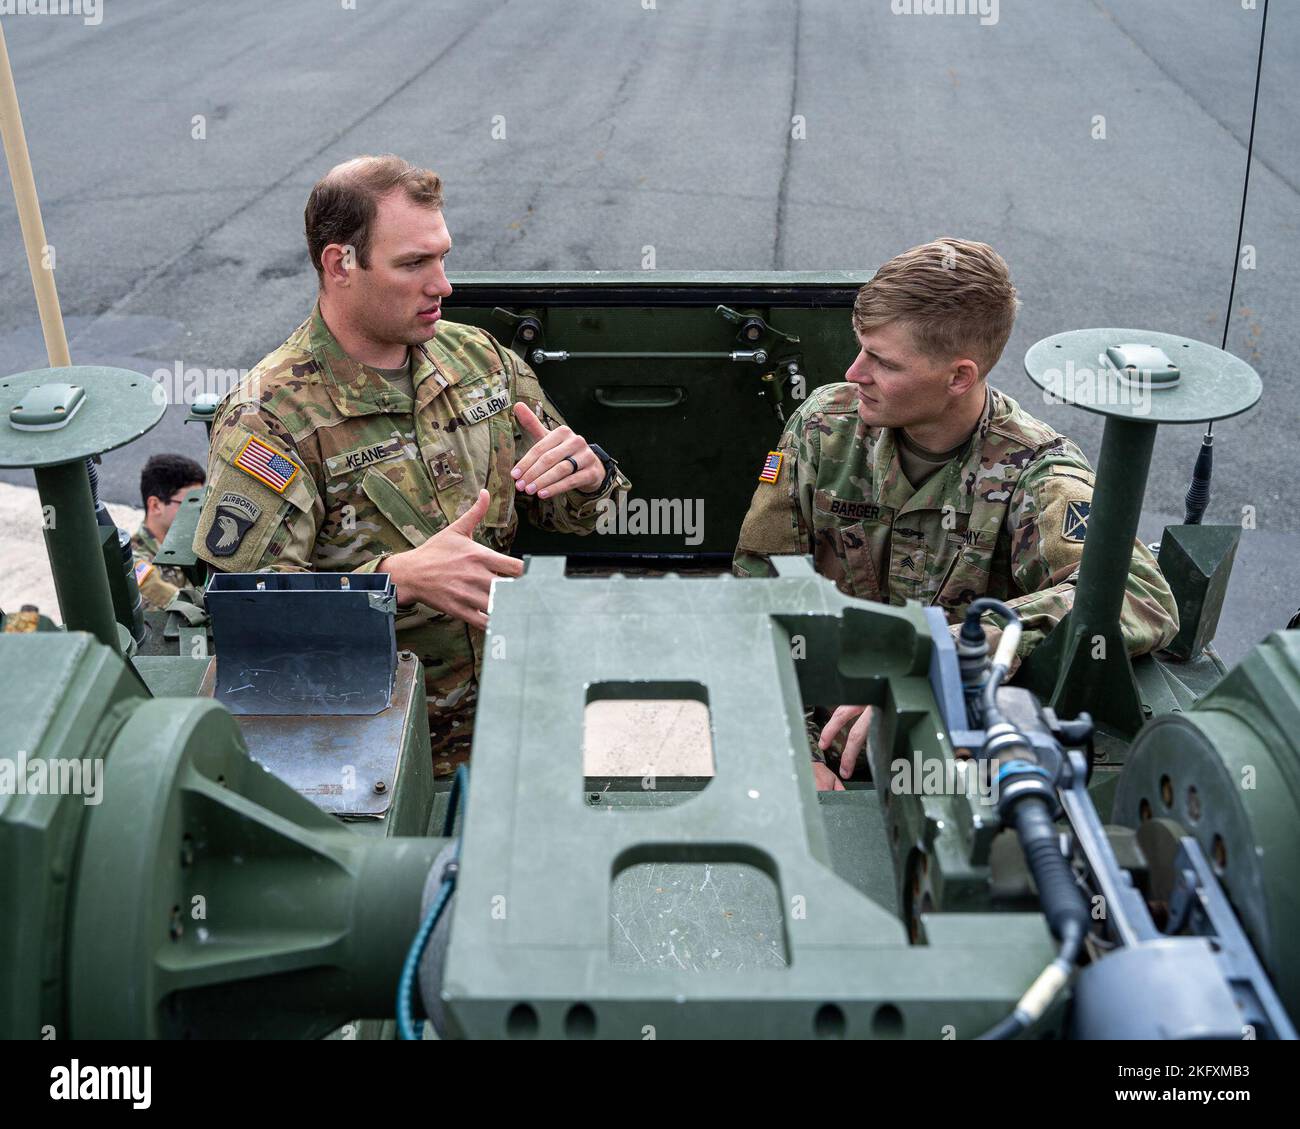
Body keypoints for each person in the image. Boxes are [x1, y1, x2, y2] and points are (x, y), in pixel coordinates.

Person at [192, 155, 630, 775]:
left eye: (443, 257)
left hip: (519, 717)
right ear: (340, 264)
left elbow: (578, 514)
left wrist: (589, 479)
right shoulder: (270, 417)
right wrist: (394, 581)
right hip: (382, 756)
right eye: (413, 264)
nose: (443, 285)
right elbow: (248, 622)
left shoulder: (479, 360)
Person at [732, 238, 1178, 791]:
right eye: (862, 349)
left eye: (883, 362)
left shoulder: (1035, 472)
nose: (854, 371)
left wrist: (941, 657)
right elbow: (761, 584)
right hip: (822, 735)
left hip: (953, 761)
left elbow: (1140, 595)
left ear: (959, 377)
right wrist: (795, 749)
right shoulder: (826, 427)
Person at [131, 454, 206, 610]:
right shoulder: (136, 562)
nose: (199, 511)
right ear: (156, 505)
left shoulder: (193, 543)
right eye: (189, 503)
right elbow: (190, 609)